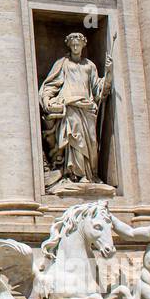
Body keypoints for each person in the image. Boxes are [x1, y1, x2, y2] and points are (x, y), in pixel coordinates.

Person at [39, 31, 112, 186]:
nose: (75, 46)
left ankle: (89, 174)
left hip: (87, 108)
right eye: (73, 44)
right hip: (71, 105)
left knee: (91, 141)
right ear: (69, 45)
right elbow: (51, 85)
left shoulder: (89, 66)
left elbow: (99, 89)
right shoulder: (63, 63)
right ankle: (76, 175)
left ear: (83, 45)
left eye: (78, 44)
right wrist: (46, 99)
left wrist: (109, 72)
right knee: (74, 138)